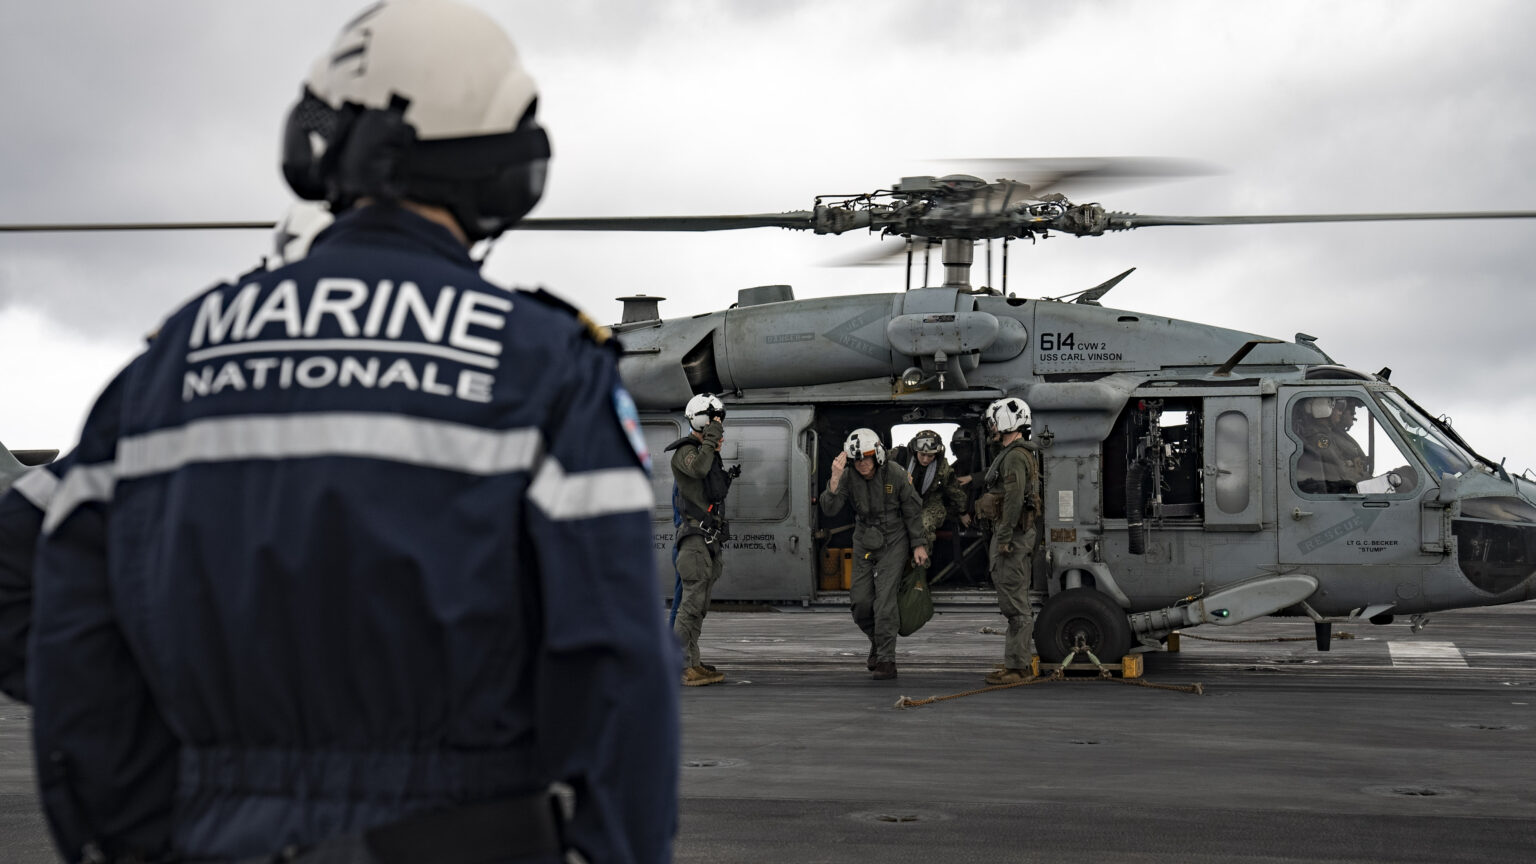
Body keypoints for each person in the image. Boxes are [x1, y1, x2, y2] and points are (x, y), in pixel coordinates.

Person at [27, 3, 679, 863]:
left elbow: (72, 646)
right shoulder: (541, 365)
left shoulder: (171, 360)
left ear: (320, 142)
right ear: (508, 159)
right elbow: (621, 671)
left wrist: (151, 830)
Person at [819, 428, 928, 680]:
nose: (862, 464)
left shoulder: (897, 474)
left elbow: (913, 509)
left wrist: (918, 544)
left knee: (884, 603)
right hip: (865, 538)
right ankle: (878, 642)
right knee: (860, 603)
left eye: (866, 458)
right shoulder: (847, 476)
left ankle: (887, 661)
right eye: (856, 459)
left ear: (877, 454)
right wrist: (834, 478)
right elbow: (830, 508)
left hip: (893, 539)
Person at [666, 393, 737, 686]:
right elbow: (698, 469)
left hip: (707, 541)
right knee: (690, 605)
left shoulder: (707, 452)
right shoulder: (686, 452)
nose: (719, 435)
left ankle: (691, 661)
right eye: (714, 427)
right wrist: (711, 439)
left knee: (698, 606)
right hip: (694, 541)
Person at [977, 397, 1041, 685]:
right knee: (1014, 601)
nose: (992, 426)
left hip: (1012, 538)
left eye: (995, 421)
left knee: (1015, 603)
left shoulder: (1015, 456)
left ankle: (1019, 668)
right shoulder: (1012, 453)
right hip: (1013, 535)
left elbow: (1014, 500)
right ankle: (1015, 663)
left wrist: (1002, 537)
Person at [893, 429, 970, 552]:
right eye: (922, 454)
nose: (925, 459)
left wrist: (963, 512)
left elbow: (954, 490)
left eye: (930, 456)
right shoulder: (899, 456)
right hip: (901, 502)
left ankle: (920, 566)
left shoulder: (942, 467)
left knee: (924, 526)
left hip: (929, 503)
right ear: (915, 451)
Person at [1295, 397, 1370, 494]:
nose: (1340, 413)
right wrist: (1368, 479)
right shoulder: (1320, 439)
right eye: (1338, 410)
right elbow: (1342, 474)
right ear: (1324, 410)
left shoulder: (1326, 434)